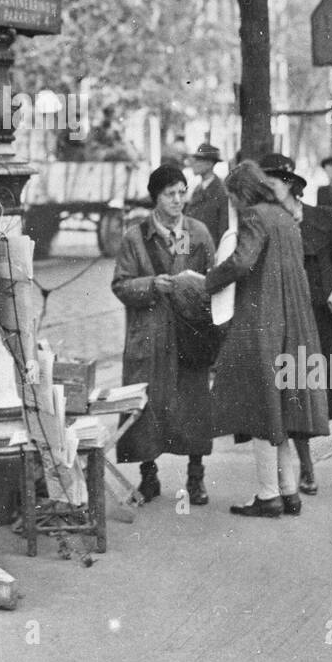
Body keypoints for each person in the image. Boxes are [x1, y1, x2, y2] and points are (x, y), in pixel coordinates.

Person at [200, 159, 328, 518]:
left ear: (241, 192)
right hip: (294, 320)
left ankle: (268, 495)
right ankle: (289, 492)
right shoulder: (286, 216)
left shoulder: (255, 216)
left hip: (263, 321)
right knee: (282, 410)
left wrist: (209, 280)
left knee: (261, 407)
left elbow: (241, 263)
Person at [260, 153, 332, 496]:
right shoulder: (269, 224)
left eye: (275, 182)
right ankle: (307, 471)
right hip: (292, 322)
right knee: (298, 395)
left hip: (328, 320)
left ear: (291, 185)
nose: (269, 189)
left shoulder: (323, 218)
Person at [112, 164, 217, 506]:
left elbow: (214, 279)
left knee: (194, 403)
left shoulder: (197, 233)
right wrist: (150, 285)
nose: (177, 200)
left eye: (181, 192)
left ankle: (196, 477)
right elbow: (120, 284)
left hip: (190, 333)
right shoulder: (135, 237)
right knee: (147, 405)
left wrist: (200, 290)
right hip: (150, 335)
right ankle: (148, 475)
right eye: (169, 194)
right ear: (155, 198)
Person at [184, 142, 230, 246]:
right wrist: (180, 251)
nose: (194, 163)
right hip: (192, 252)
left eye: (198, 160)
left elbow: (223, 230)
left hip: (209, 253)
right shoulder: (197, 189)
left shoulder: (221, 192)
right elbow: (185, 223)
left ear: (209, 164)